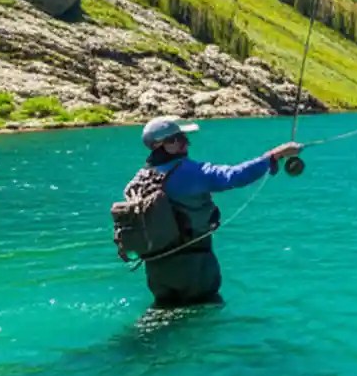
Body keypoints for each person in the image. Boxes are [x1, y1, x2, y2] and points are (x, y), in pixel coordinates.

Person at [126, 115, 302, 309]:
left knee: (164, 313)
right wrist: (275, 155)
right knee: (203, 317)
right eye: (182, 139)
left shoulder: (141, 177)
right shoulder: (189, 172)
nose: (187, 144)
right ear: (168, 144)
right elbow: (234, 176)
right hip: (194, 266)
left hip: (157, 270)